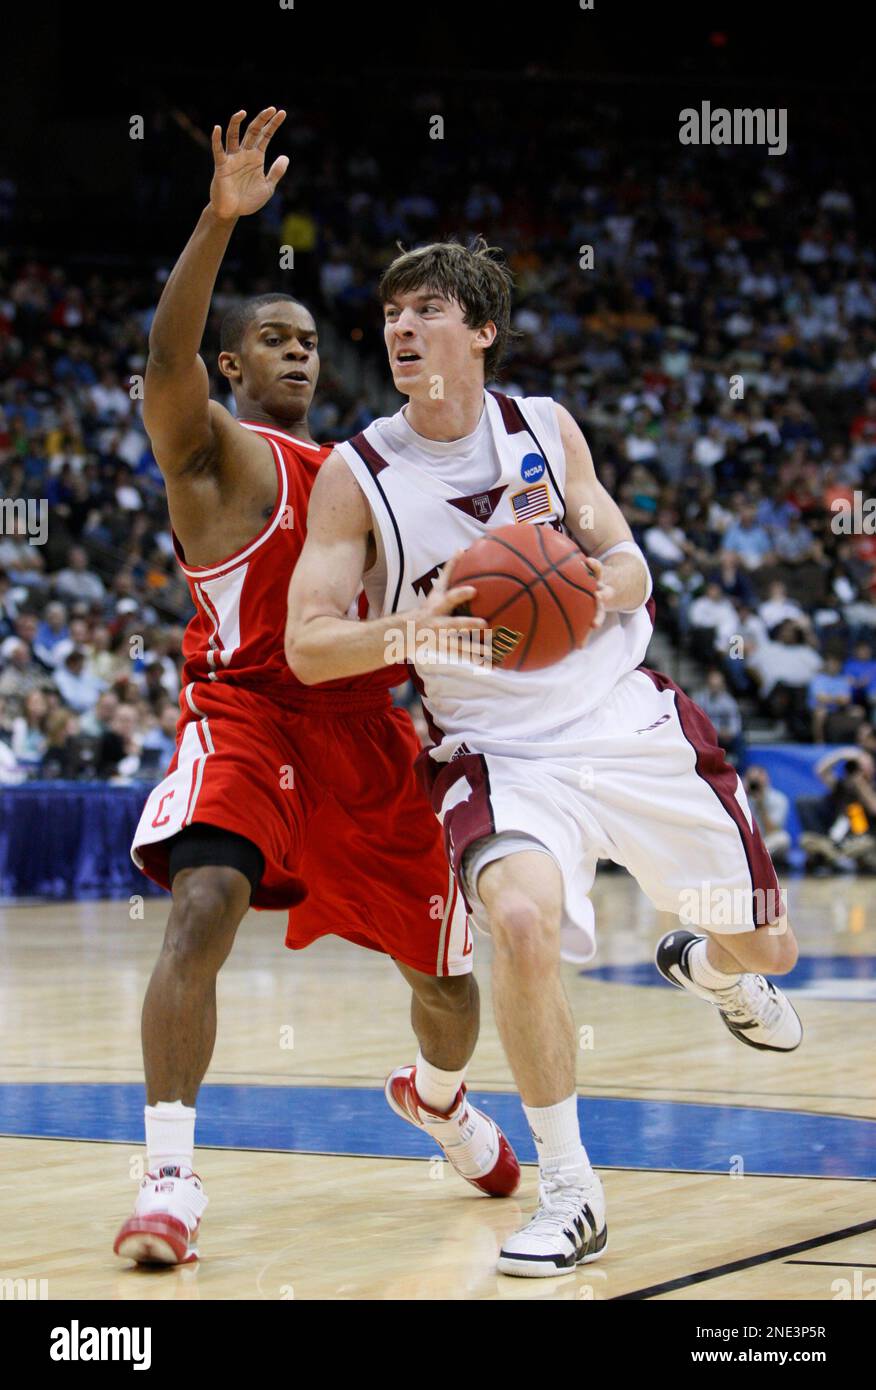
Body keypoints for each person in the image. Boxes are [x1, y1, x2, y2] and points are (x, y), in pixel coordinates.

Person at [286, 236, 802, 1280]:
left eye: (427, 308)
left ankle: (705, 965)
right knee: (514, 919)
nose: (400, 328)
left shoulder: (543, 428)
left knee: (770, 953)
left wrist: (594, 583)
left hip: (622, 715)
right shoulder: (359, 473)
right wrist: (410, 632)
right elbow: (306, 642)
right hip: (496, 747)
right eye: (391, 313)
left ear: (481, 331)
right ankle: (571, 1193)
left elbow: (625, 558)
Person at [116, 111, 518, 1270]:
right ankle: (171, 1179)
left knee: (444, 977)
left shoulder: (365, 474)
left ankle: (438, 1099)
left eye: (309, 339)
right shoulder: (218, 456)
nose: (301, 351)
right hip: (248, 713)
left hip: (367, 732)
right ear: (233, 367)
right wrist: (220, 218)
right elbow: (163, 364)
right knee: (203, 903)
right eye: (274, 339)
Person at [743, 766, 791, 867]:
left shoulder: (779, 799)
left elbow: (772, 830)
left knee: (783, 839)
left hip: (767, 841)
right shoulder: (740, 797)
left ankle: (751, 858)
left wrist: (761, 805)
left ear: (766, 779)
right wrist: (741, 795)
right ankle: (751, 857)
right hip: (746, 840)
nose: (755, 783)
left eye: (758, 780)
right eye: (752, 780)